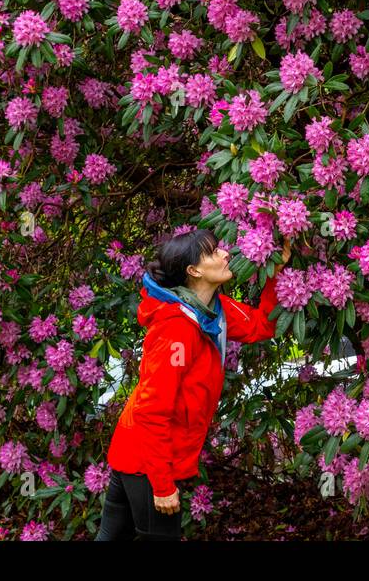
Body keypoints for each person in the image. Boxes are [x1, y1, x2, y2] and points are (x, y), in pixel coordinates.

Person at [96, 227, 289, 540]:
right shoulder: (176, 330)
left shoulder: (214, 314)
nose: (226, 253)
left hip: (135, 451)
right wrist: (161, 485)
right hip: (146, 460)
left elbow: (263, 325)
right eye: (213, 252)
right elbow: (152, 412)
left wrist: (276, 269)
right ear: (194, 270)